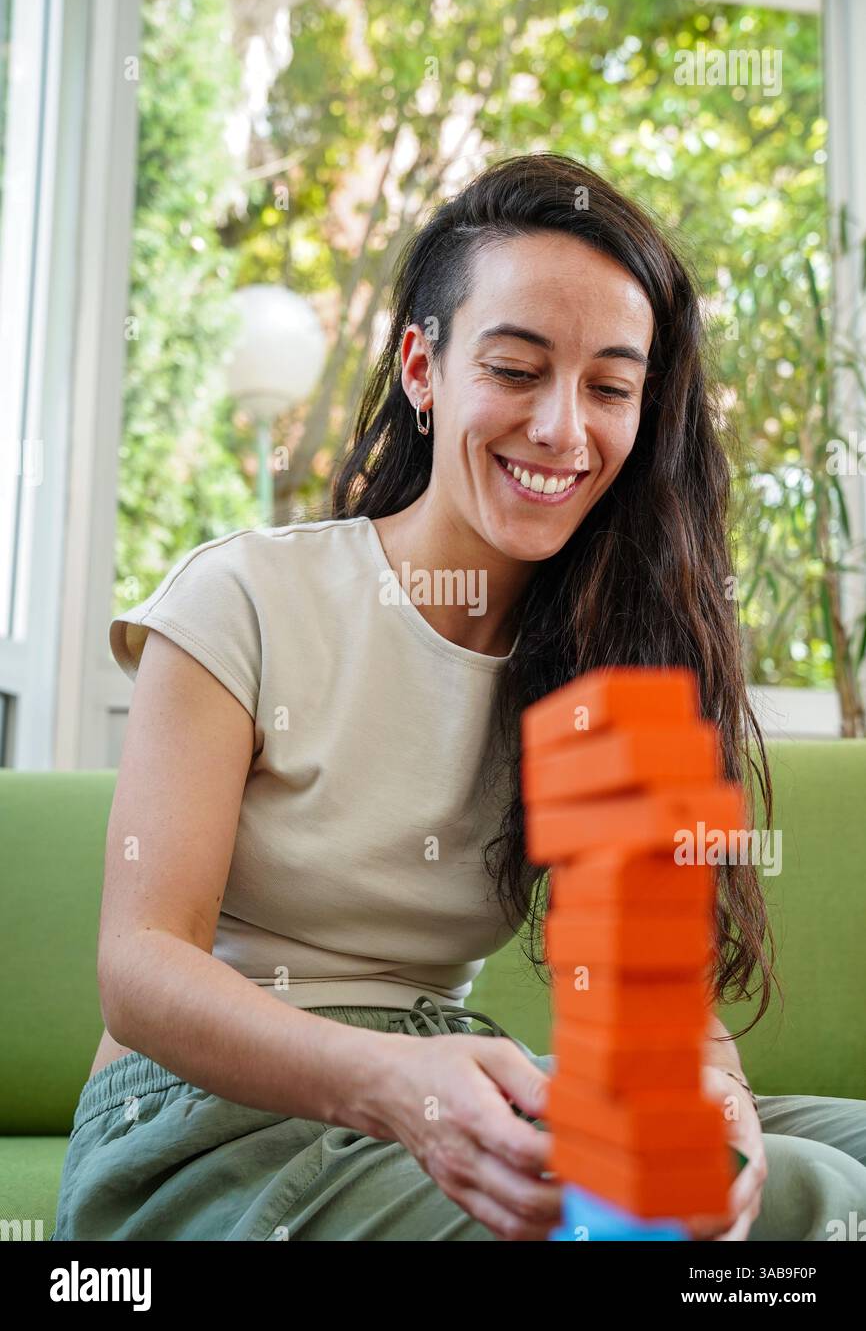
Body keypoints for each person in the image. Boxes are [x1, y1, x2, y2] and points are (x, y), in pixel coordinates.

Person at [51, 152, 866, 1242]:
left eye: (610, 387)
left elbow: (649, 1006)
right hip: (199, 1126)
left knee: (820, 1163)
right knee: (818, 1203)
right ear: (422, 369)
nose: (562, 431)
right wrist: (397, 1084)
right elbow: (140, 971)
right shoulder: (245, 594)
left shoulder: (606, 652)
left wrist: (713, 1114)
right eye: (517, 370)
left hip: (453, 1085)